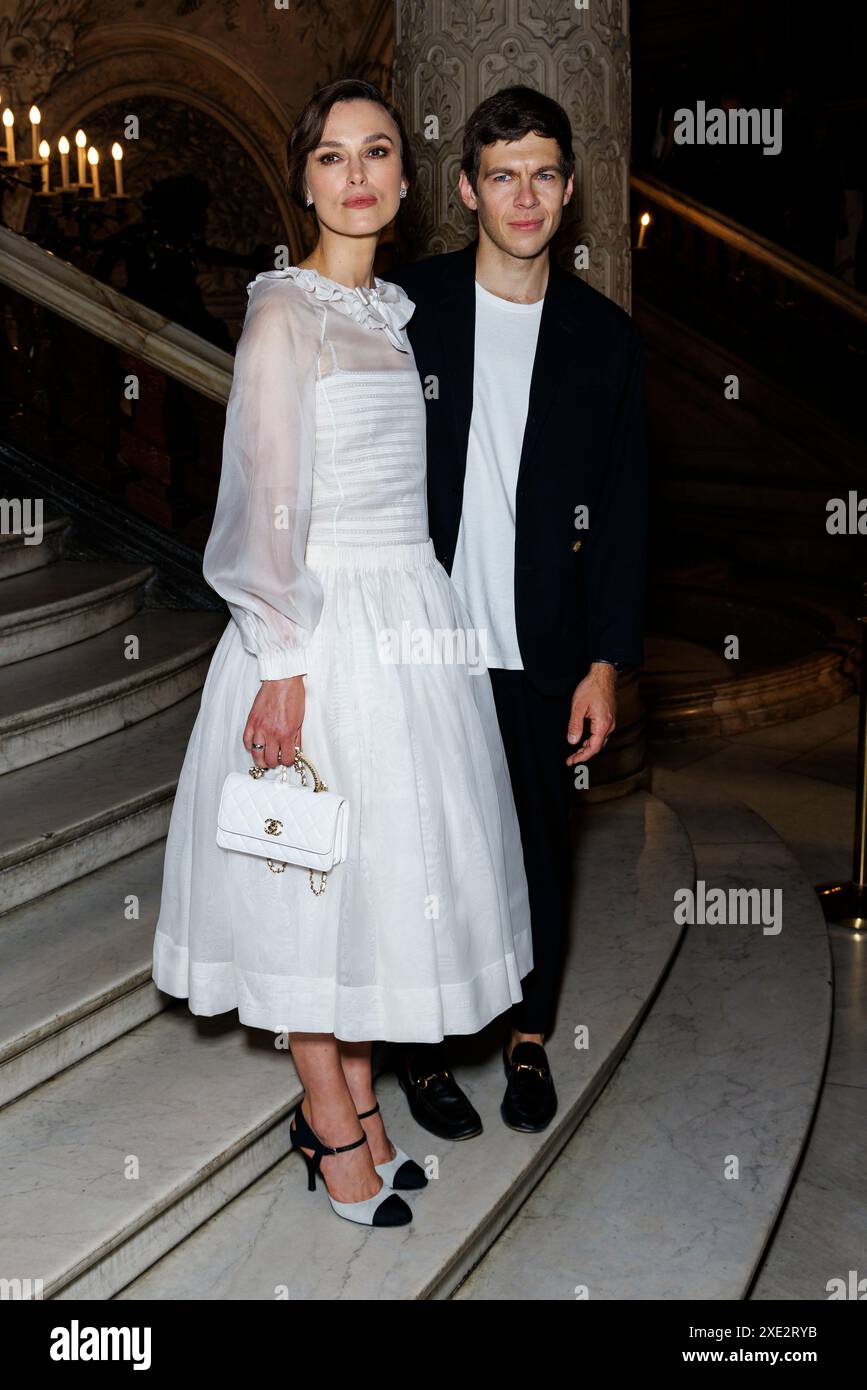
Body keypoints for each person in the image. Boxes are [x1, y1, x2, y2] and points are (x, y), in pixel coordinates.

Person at [151, 78, 533, 1229]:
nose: (357, 175)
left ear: (409, 183)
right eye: (332, 156)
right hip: (318, 630)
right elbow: (266, 500)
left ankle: (361, 1105)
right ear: (303, 178)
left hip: (407, 620)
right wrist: (281, 659)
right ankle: (327, 1128)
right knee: (308, 887)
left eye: (378, 154)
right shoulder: (287, 313)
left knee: (368, 886)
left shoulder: (388, 312)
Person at [389, 85, 648, 1138]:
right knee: (432, 851)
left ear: (571, 187)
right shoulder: (410, 308)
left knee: (541, 848)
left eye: (544, 173)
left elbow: (628, 509)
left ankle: (529, 1035)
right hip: (425, 640)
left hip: (543, 639)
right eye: (503, 175)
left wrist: (606, 661)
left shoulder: (604, 337)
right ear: (467, 189)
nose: (526, 194)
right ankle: (427, 1046)